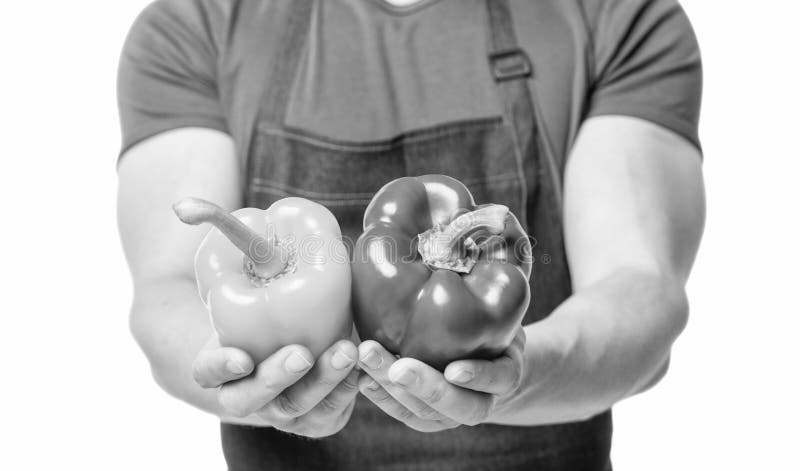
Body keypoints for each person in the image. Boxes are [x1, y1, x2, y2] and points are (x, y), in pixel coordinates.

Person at [116, 0, 704, 469]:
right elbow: (168, 291)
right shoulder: (195, 23)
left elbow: (642, 287)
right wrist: (250, 384)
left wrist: (519, 375)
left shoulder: (622, 14)